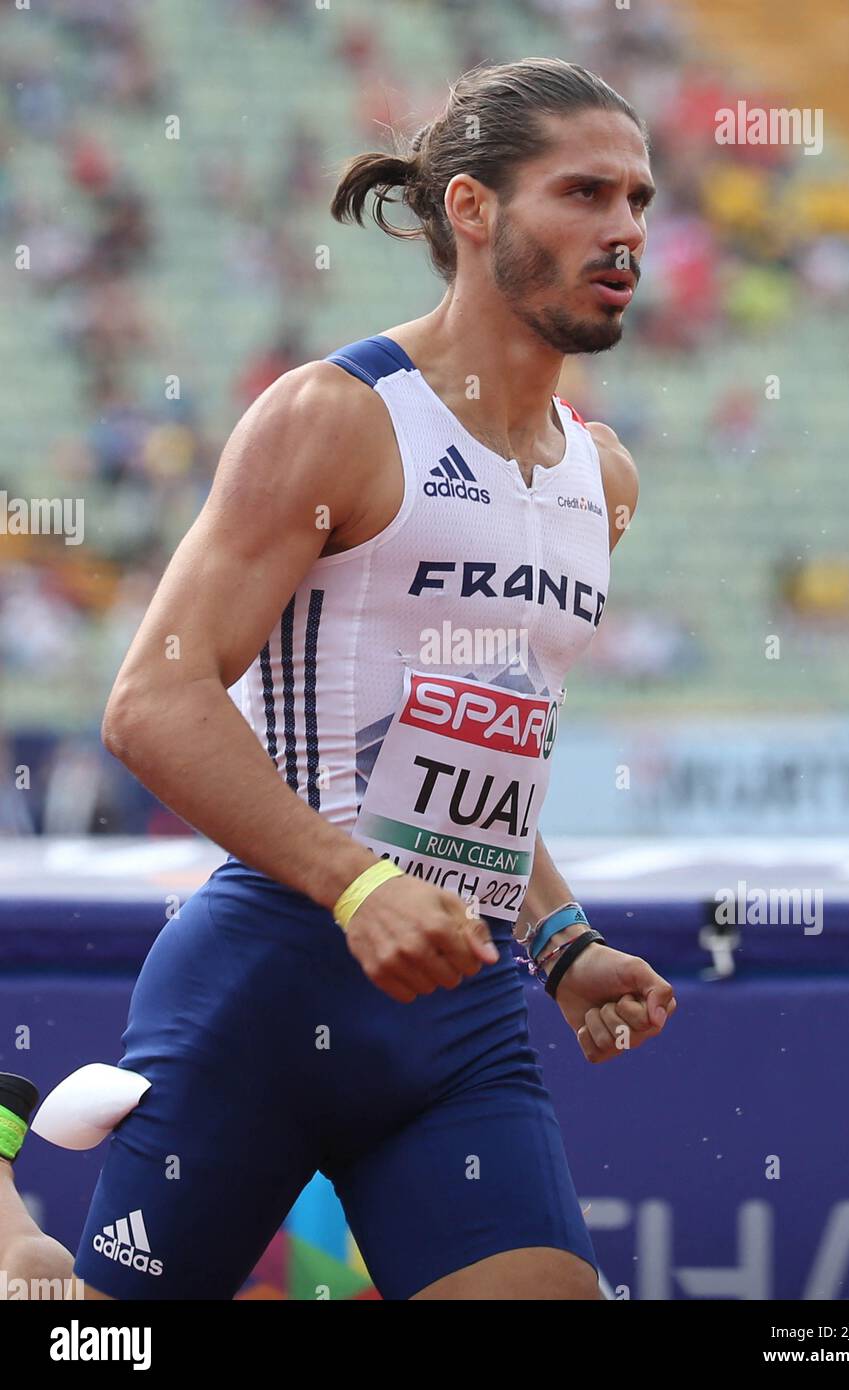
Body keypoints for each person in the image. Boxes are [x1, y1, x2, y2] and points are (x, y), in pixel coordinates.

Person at [0, 57, 675, 1301]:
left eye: (638, 199)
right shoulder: (336, 417)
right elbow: (152, 703)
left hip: (458, 1010)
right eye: (583, 194)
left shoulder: (606, 479)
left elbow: (476, 770)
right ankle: (18, 1250)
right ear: (471, 211)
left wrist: (563, 938)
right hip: (269, 985)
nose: (625, 230)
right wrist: (358, 884)